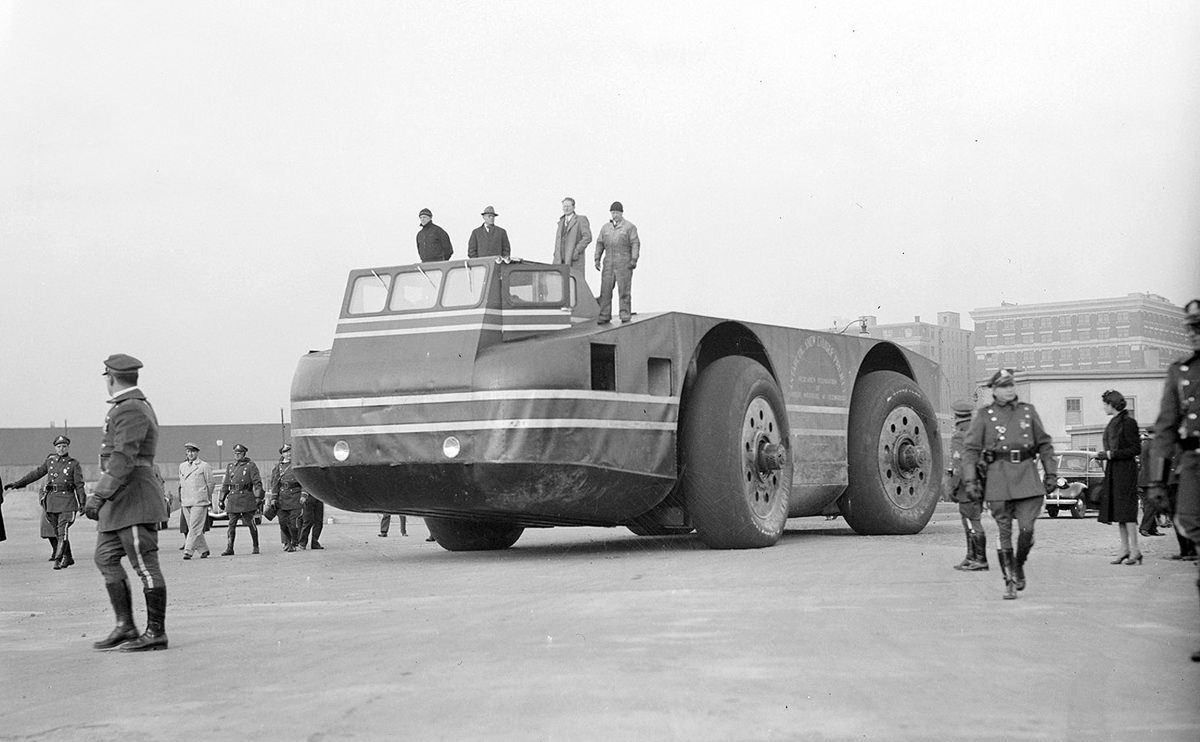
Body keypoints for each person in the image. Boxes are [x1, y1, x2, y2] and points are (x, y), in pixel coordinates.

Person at [84, 353, 169, 651]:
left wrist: (99, 494)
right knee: (105, 557)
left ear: (110, 378)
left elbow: (123, 457)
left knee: (145, 565)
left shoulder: (130, 409)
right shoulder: (127, 407)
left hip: (133, 498)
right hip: (121, 501)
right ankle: (126, 625)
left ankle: (155, 632)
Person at [962, 368, 1057, 600]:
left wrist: (1051, 473)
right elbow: (971, 451)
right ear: (994, 390)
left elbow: (1044, 444)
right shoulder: (984, 415)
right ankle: (1009, 581)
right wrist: (971, 480)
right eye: (1004, 386)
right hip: (998, 478)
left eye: (1011, 385)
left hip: (1027, 476)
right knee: (1004, 531)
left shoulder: (1028, 412)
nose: (1010, 389)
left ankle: (1019, 565)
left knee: (1027, 530)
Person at [1146, 298, 1200, 661]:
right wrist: (1156, 481)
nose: (1194, 334)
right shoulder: (1180, 371)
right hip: (1194, 461)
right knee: (1191, 523)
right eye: (1191, 328)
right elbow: (1165, 428)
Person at [5, 434, 87, 569]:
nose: (61, 449)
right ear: (55, 448)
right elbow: (36, 474)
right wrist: (18, 483)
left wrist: (82, 503)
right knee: (57, 532)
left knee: (62, 531)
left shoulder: (73, 464)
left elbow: (79, 485)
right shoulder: (50, 461)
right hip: (52, 502)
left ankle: (58, 560)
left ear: (68, 447)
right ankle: (68, 557)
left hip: (67, 502)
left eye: (64, 446)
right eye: (59, 446)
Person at [1094, 390, 1142, 564]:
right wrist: (1108, 456)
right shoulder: (1115, 422)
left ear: (1112, 404)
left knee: (1127, 511)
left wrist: (1110, 454)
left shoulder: (1128, 423)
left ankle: (1135, 550)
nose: (1103, 407)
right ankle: (1125, 548)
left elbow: (1135, 449)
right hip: (1115, 470)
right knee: (1119, 511)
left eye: (1105, 404)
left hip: (1125, 471)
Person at [946, 400, 988, 571]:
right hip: (980, 483)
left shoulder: (959, 436)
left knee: (971, 522)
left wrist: (952, 487)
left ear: (956, 416)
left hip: (965, 486)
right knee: (973, 520)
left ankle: (979, 558)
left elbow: (959, 467)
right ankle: (971, 557)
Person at [594, 201, 640, 324]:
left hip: (624, 262)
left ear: (621, 213)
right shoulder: (605, 228)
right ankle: (604, 315)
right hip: (608, 262)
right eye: (612, 212)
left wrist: (634, 259)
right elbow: (600, 243)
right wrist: (597, 258)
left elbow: (635, 243)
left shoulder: (629, 227)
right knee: (605, 290)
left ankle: (625, 314)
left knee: (624, 290)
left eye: (616, 212)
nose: (614, 215)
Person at [219, 443, 264, 556]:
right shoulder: (230, 467)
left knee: (250, 523)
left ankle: (255, 546)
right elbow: (226, 484)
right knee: (231, 525)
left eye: (239, 453)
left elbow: (257, 482)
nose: (237, 455)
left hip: (246, 498)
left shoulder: (250, 466)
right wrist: (221, 499)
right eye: (236, 453)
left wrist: (258, 497)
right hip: (233, 499)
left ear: (244, 454)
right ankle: (230, 548)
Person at [178, 443, 214, 560]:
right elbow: (181, 484)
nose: (190, 454)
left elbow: (210, 484)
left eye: (193, 451)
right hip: (186, 500)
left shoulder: (204, 466)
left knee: (194, 527)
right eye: (188, 452)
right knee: (194, 527)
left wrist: (206, 497)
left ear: (197, 453)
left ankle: (188, 551)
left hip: (199, 500)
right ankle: (204, 550)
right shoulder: (182, 466)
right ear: (186, 453)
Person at [269, 444, 304, 552]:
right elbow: (274, 483)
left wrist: (304, 494)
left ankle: (293, 542)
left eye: (290, 452)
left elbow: (304, 481)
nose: (288, 454)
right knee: (283, 523)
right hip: (282, 498)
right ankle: (288, 542)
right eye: (286, 452)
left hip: (295, 497)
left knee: (293, 523)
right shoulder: (278, 467)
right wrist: (274, 497)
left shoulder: (298, 465)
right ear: (282, 454)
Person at [552, 197, 592, 280]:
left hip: (574, 261)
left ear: (573, 207)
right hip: (560, 261)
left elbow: (587, 237)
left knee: (575, 285)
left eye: (568, 206)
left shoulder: (580, 220)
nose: (566, 208)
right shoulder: (561, 222)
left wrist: (576, 251)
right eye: (564, 206)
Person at [1137, 430, 1163, 537]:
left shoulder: (1145, 444)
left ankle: (1152, 528)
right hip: (1150, 480)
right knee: (1152, 505)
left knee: (1151, 505)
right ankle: (1144, 528)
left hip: (1144, 479)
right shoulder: (1153, 445)